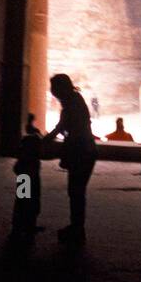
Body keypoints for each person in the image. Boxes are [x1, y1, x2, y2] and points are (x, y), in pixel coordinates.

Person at [45, 73, 96, 246]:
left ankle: (77, 229)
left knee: (76, 192)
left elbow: (63, 127)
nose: (53, 93)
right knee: (76, 192)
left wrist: (45, 141)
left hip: (81, 152)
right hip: (84, 151)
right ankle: (77, 228)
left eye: (55, 89)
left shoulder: (72, 104)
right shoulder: (74, 100)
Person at [10, 112, 44, 242]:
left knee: (24, 201)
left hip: (26, 177)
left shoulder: (24, 163)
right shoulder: (30, 164)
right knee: (28, 202)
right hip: (29, 178)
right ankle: (23, 228)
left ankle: (21, 227)